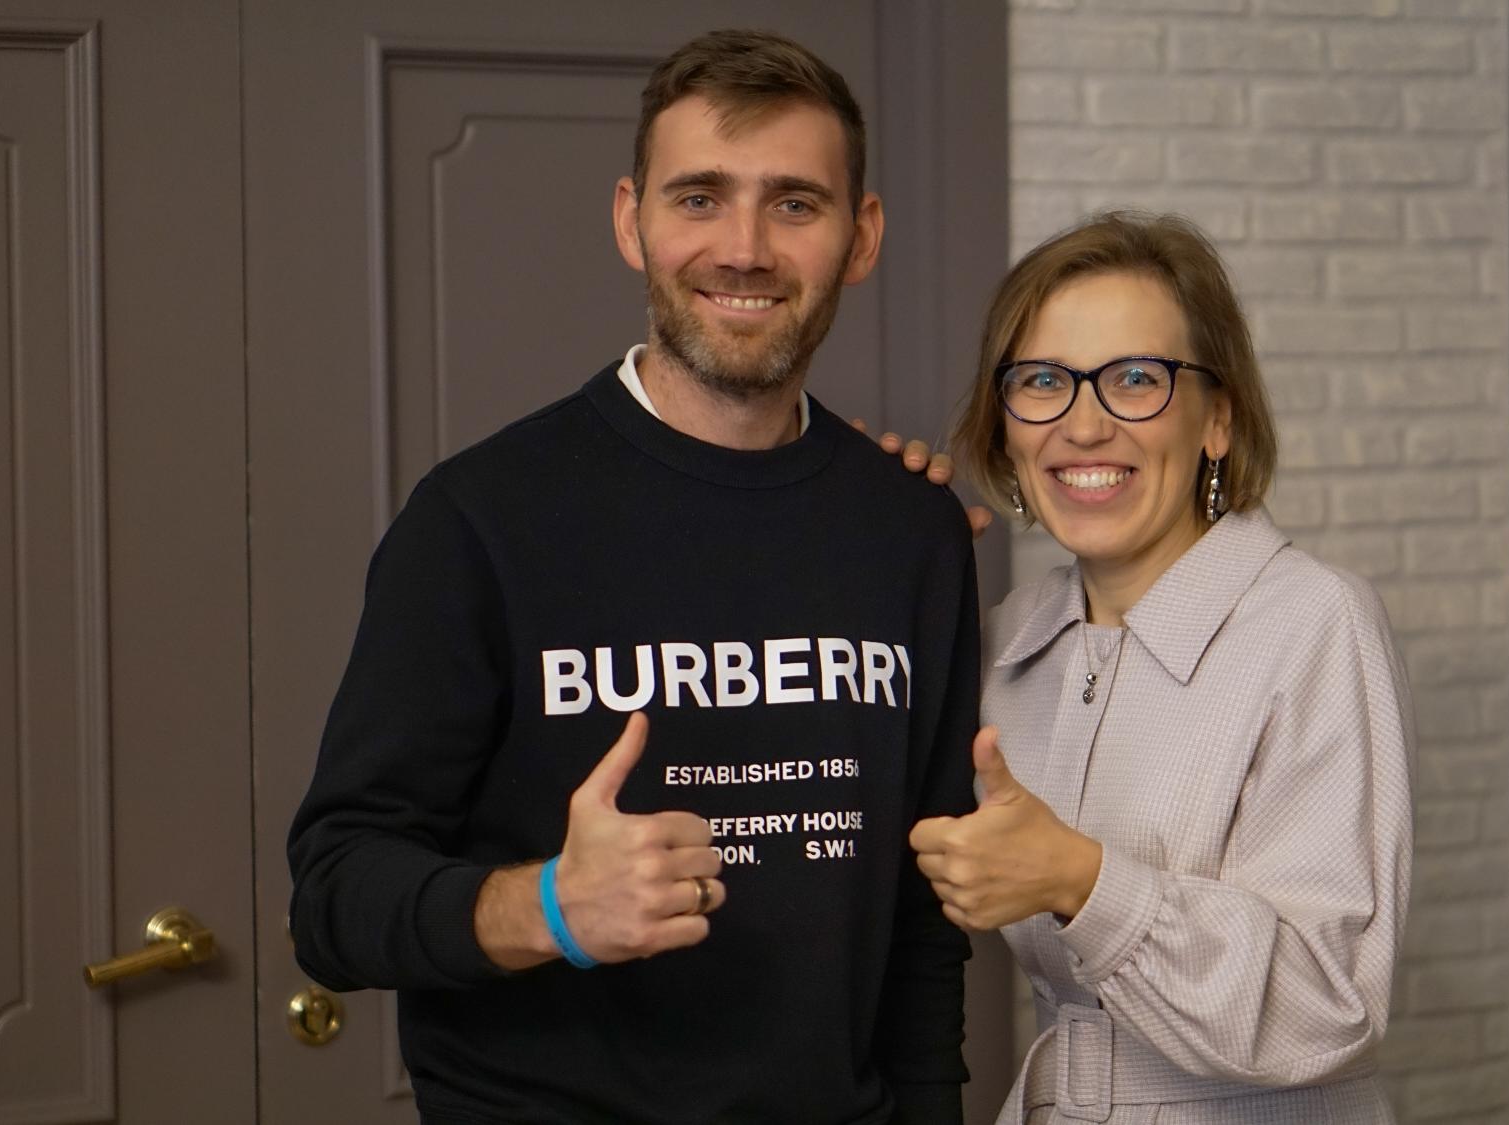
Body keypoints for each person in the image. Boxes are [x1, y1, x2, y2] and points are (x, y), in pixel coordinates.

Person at [286, 29, 980, 1125]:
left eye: (794, 203)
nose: (743, 248)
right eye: (698, 197)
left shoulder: (913, 532)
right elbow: (333, 898)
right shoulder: (479, 520)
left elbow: (921, 928)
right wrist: (547, 908)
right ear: (630, 221)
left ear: (862, 235)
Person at [904, 211, 1415, 1123]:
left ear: (1218, 418)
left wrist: (1084, 883)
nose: (1085, 424)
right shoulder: (1006, 644)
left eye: (1137, 378)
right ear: (1007, 422)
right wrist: (856, 512)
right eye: (1044, 381)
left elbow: (1328, 1002)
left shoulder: (1314, 624)